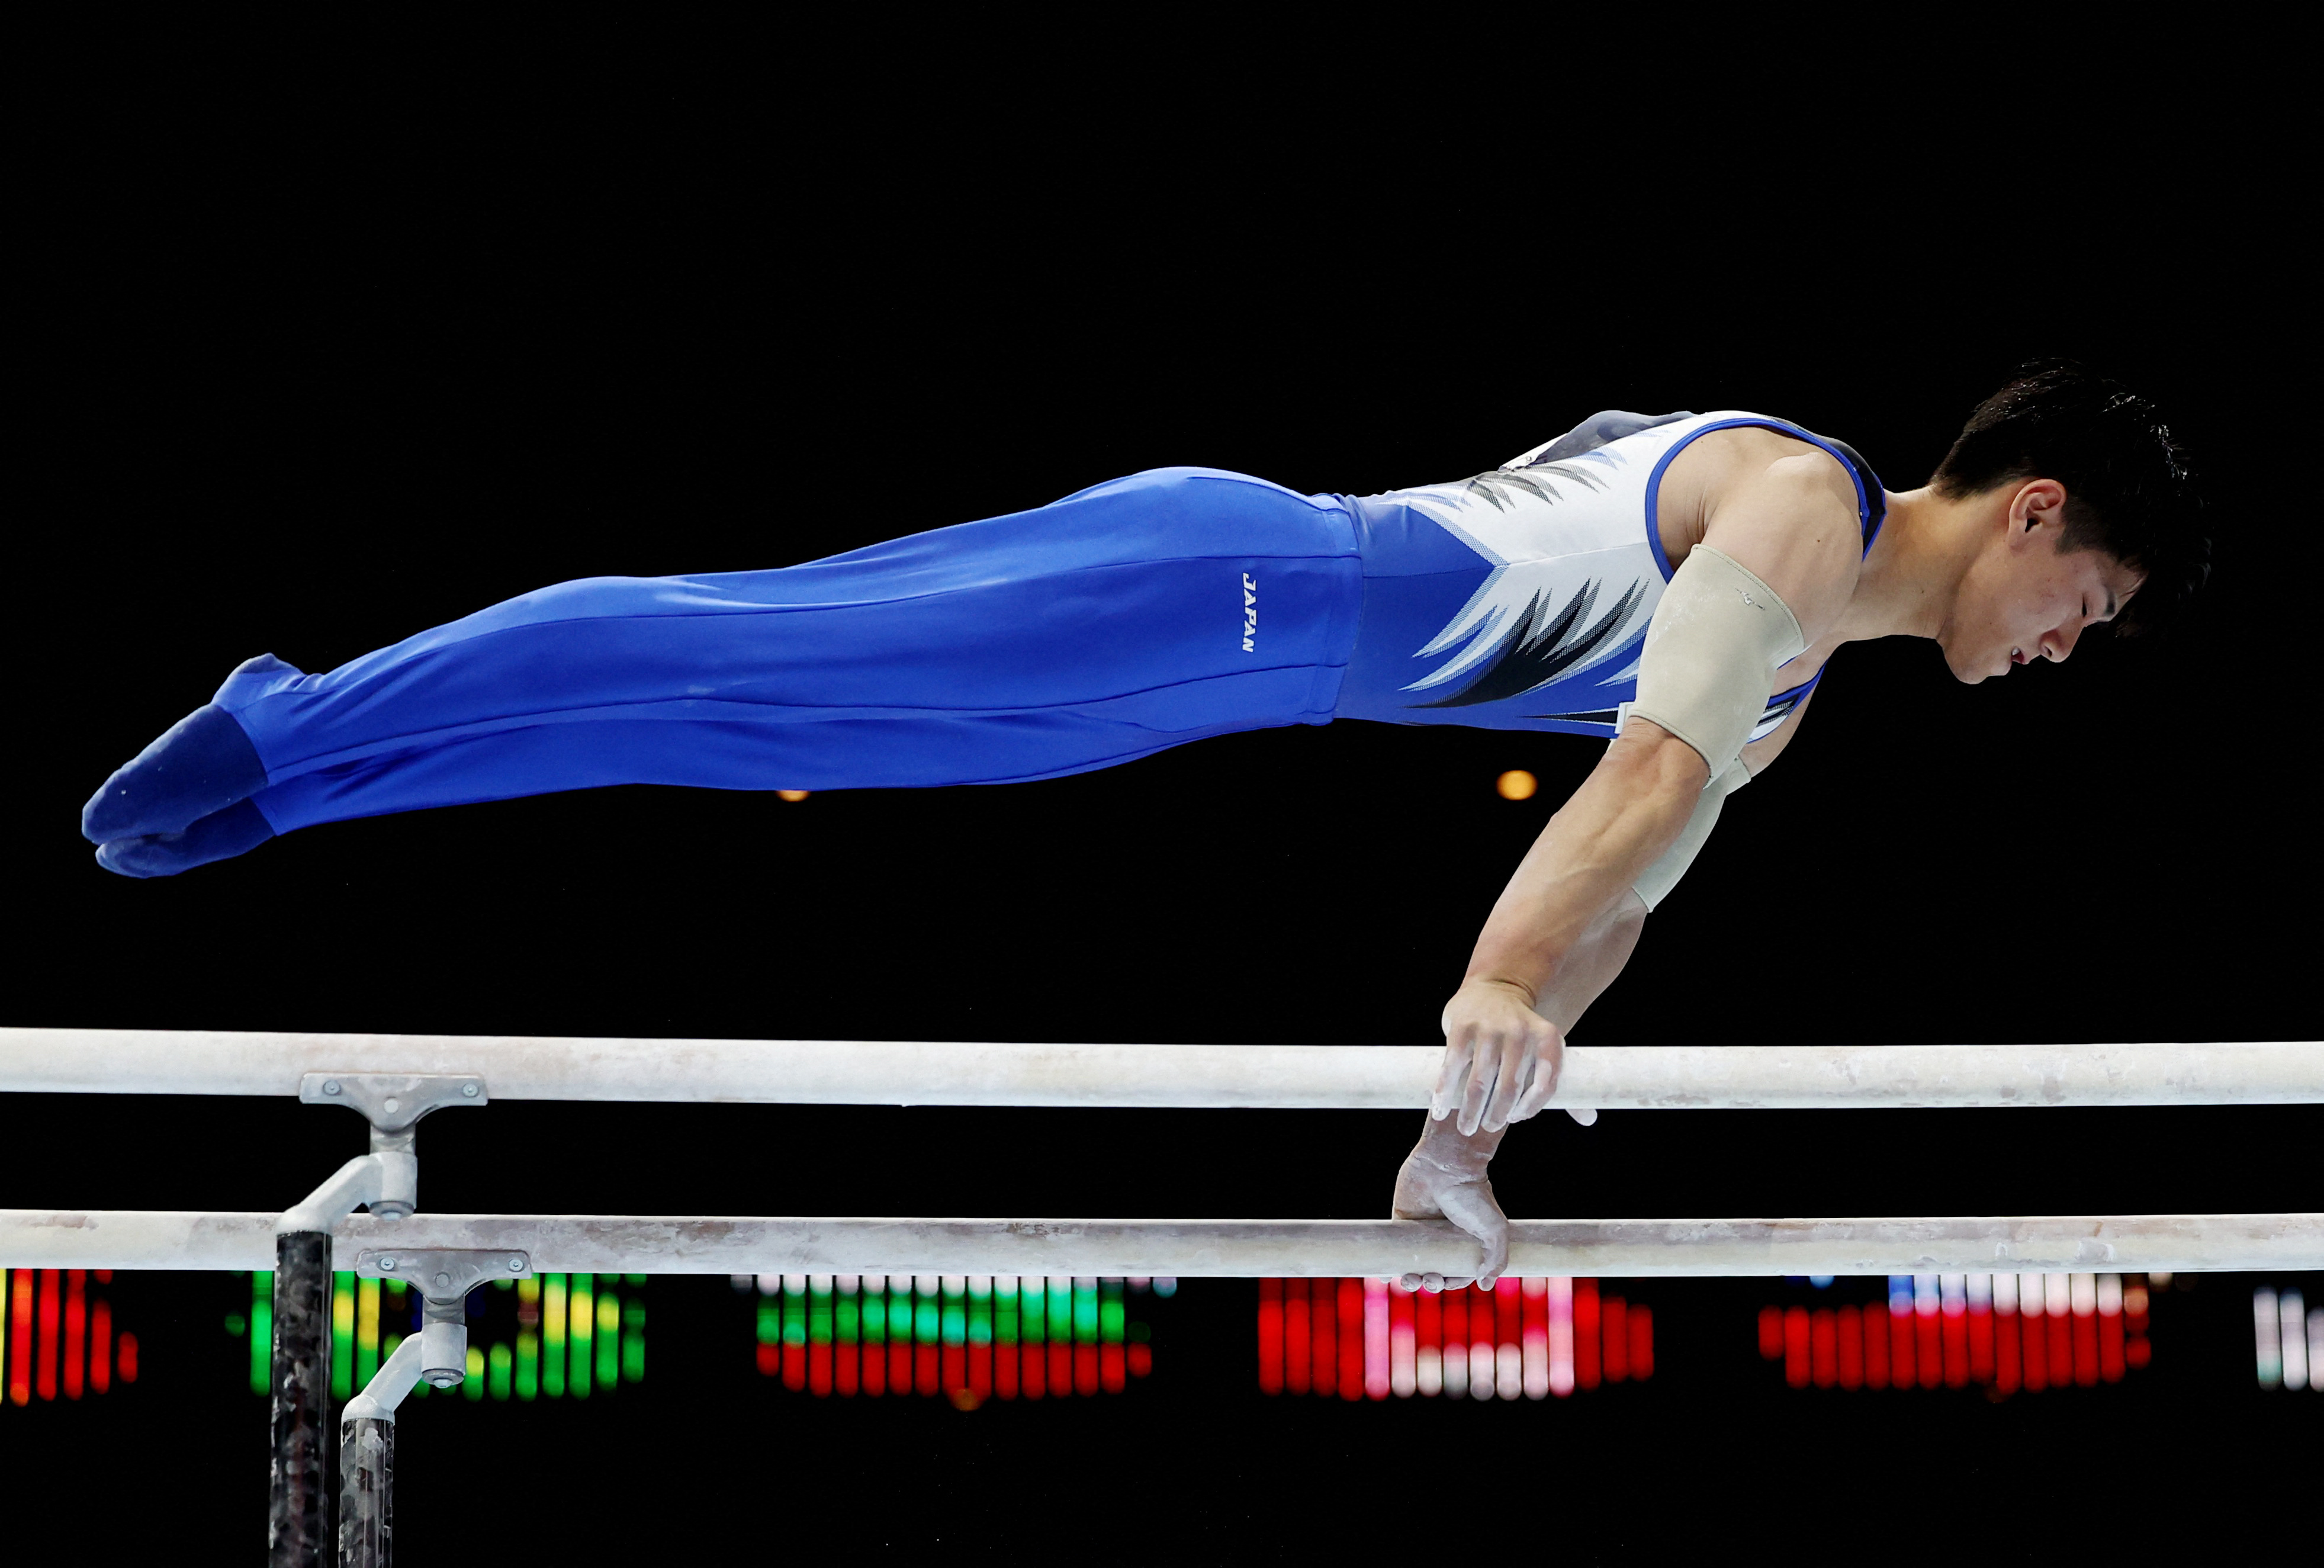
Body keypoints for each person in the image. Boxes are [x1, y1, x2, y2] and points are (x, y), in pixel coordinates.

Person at [81, 361, 2204, 1283]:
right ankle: (302, 722)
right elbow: (1638, 775)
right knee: (718, 650)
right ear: (2032, 510)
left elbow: (1639, 873)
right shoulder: (1803, 509)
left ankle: (319, 761)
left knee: (717, 718)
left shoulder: (1799, 675)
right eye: (2082, 605)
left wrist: (1451, 1137)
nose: (2060, 649)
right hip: (1230, 593)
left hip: (1194, 663)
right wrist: (1478, 988)